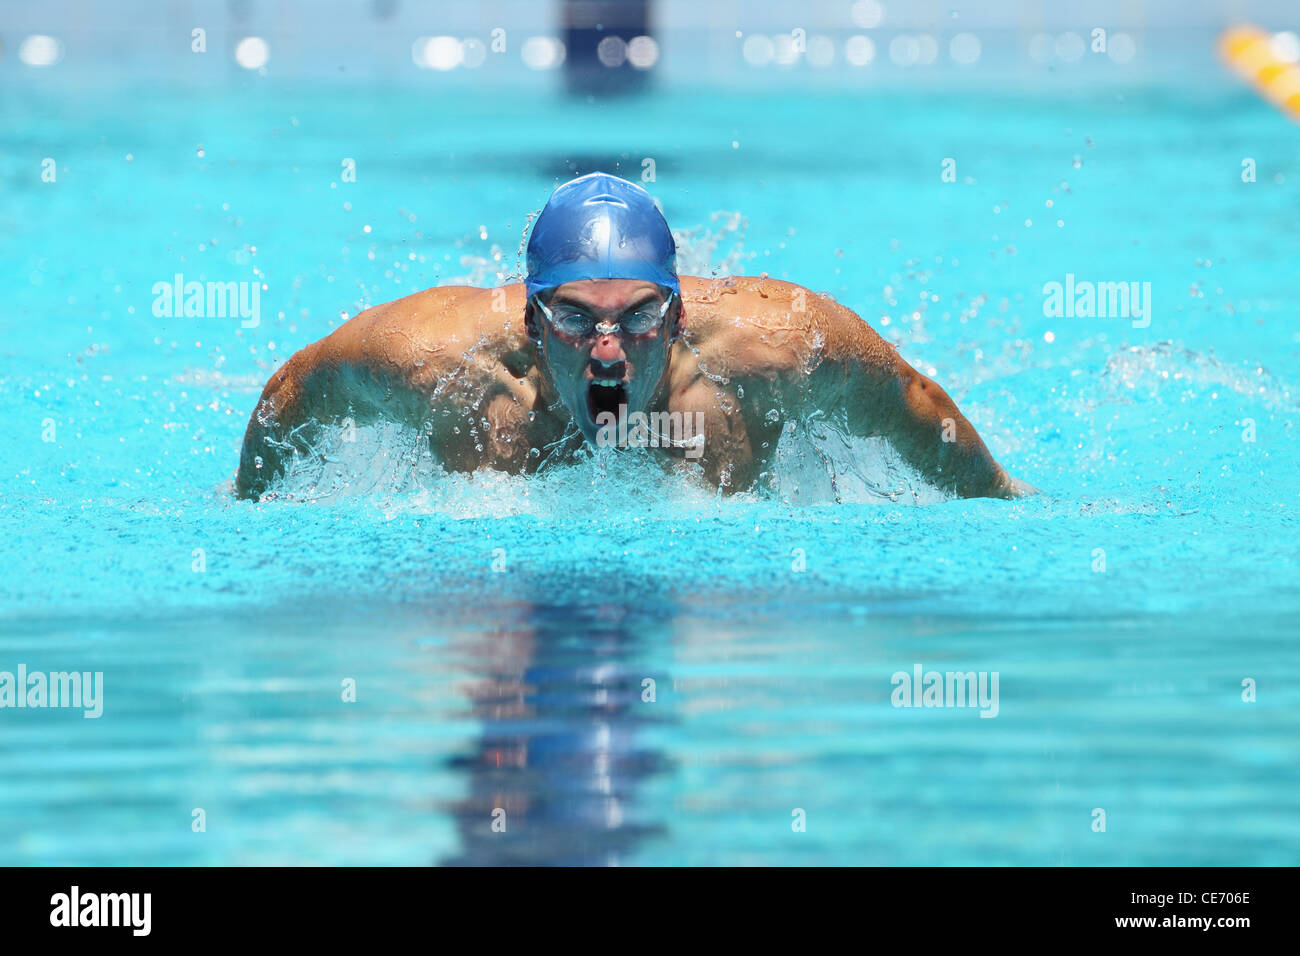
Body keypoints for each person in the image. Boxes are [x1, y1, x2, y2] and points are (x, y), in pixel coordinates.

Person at [235, 172, 1031, 500]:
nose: (607, 348)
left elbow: (909, 400)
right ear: (530, 320)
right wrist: (246, 509)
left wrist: (1003, 503)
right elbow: (296, 390)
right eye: (576, 319)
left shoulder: (775, 349)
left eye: (639, 317)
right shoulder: (435, 362)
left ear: (679, 315)